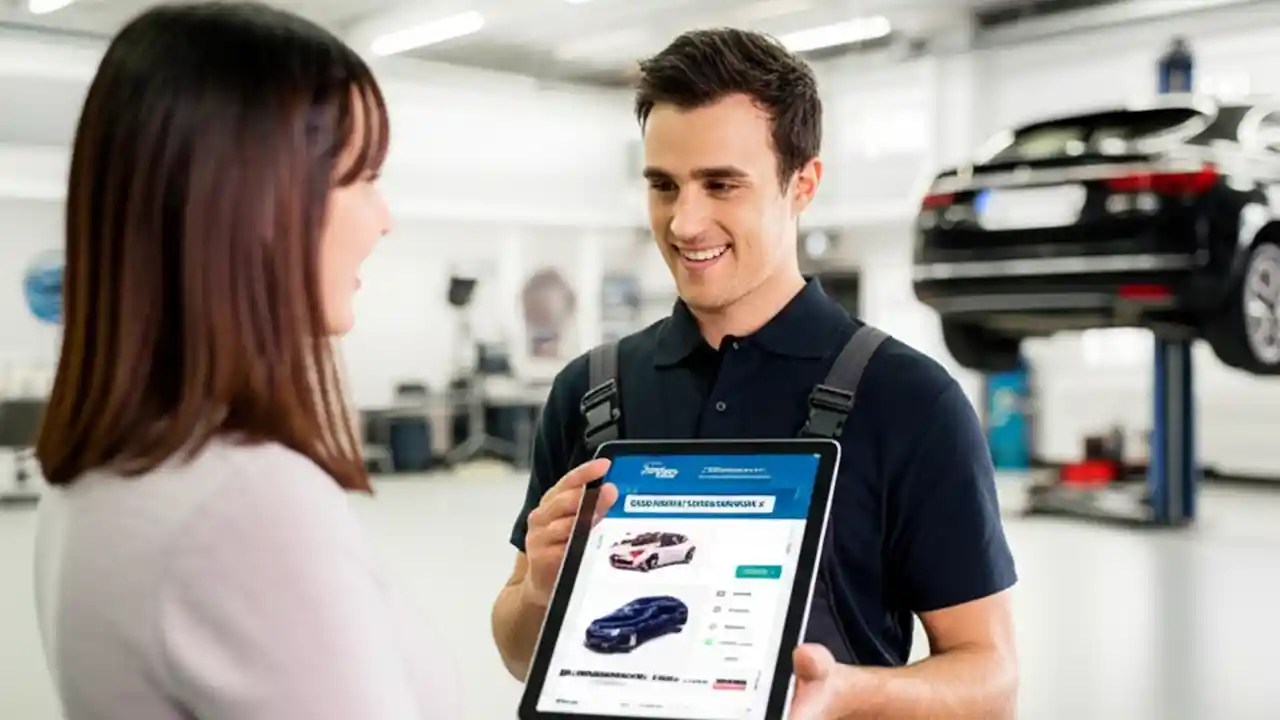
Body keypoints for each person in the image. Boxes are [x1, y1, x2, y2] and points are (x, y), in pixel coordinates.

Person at [491, 28, 1019, 719]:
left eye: (721, 185)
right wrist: (537, 590)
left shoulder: (911, 401)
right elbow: (519, 653)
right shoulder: (590, 393)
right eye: (663, 186)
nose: (685, 222)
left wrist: (851, 694)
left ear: (802, 184)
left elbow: (992, 679)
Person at [31, 3, 457, 718]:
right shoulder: (243, 502)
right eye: (360, 177)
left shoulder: (98, 473)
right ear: (261, 201)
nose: (383, 217)